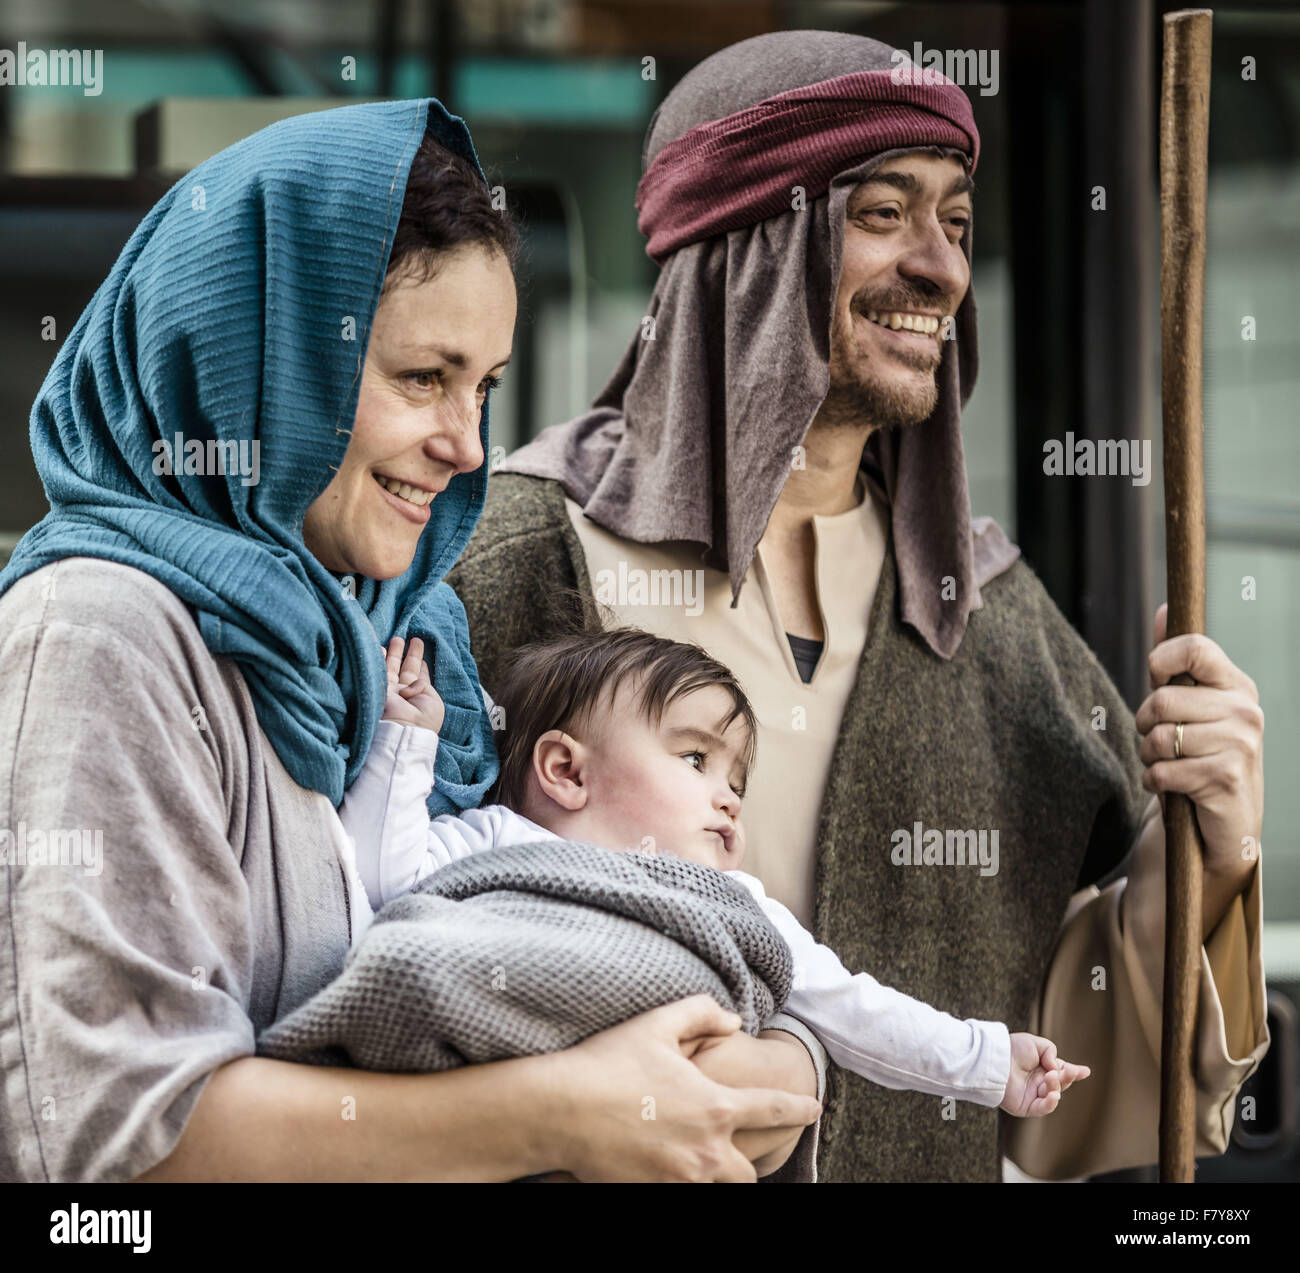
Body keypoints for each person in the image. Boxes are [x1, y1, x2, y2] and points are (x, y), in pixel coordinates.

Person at [445, 30, 1269, 1182]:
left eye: (959, 223)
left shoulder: (987, 614)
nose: (941, 269)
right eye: (882, 215)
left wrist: (1216, 853)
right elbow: (363, 950)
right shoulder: (508, 557)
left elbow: (1063, 1043)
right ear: (738, 242)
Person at [0, 98, 820, 1184]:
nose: (466, 444)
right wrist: (561, 1112)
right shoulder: (104, 637)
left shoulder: (397, 633)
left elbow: (555, 957)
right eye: (422, 378)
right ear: (261, 361)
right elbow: (117, 1138)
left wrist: (773, 1043)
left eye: (483, 386)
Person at [336, 627, 1093, 1123]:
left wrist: (986, 1063)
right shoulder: (496, 841)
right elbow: (384, 884)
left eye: (737, 776)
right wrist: (404, 743)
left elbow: (852, 1008)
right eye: (696, 759)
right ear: (565, 769)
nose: (729, 792)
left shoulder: (731, 902)